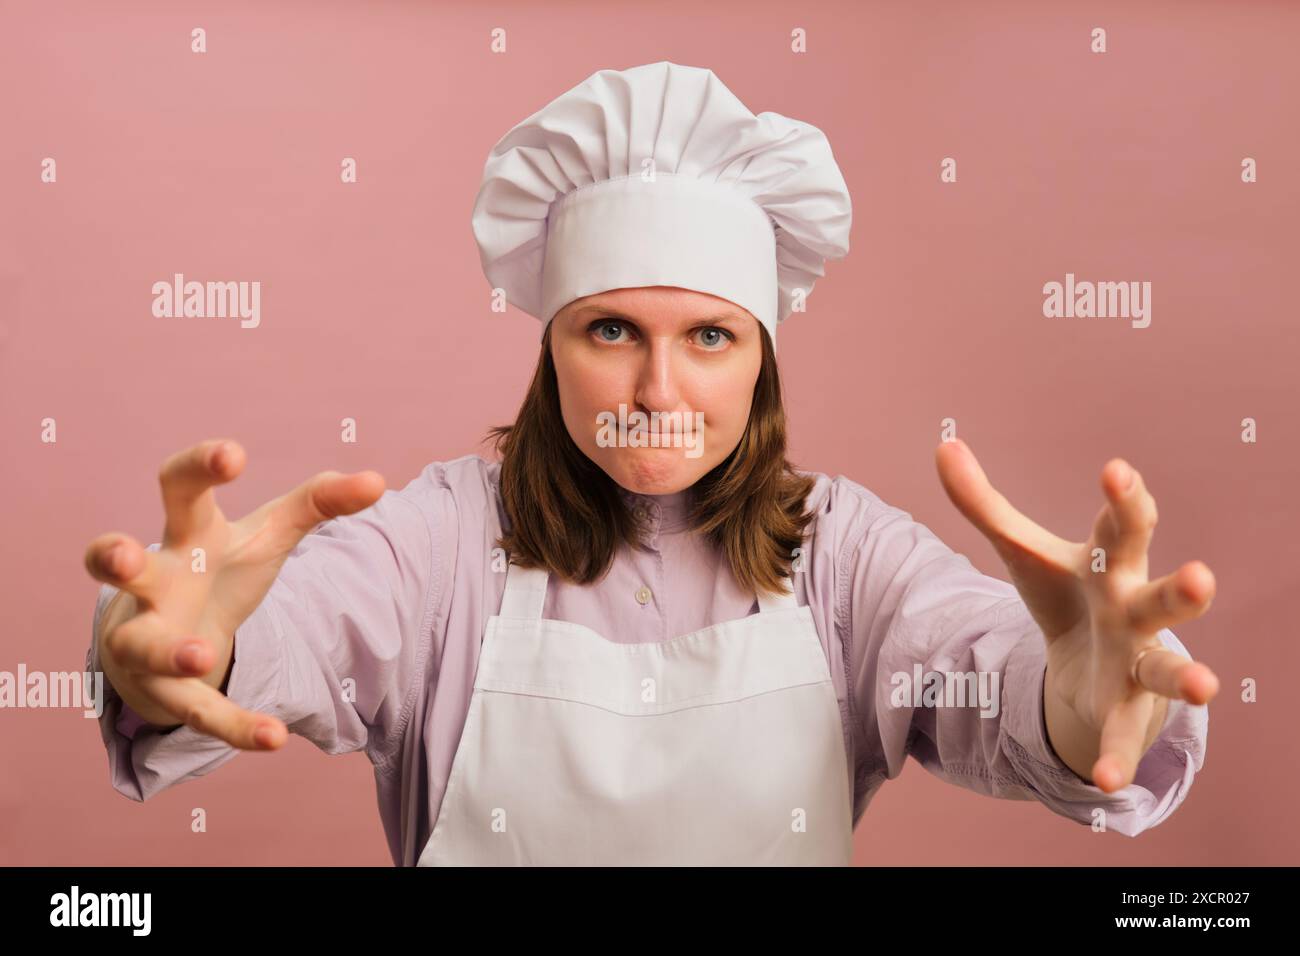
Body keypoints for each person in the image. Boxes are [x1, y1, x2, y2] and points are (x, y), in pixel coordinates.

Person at [84, 61, 1216, 866]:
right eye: (612, 329)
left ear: (761, 361)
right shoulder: (438, 541)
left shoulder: (847, 558)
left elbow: (1009, 684)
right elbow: (297, 621)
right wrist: (205, 646)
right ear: (550, 347)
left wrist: (1082, 690)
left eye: (710, 337)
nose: (659, 391)